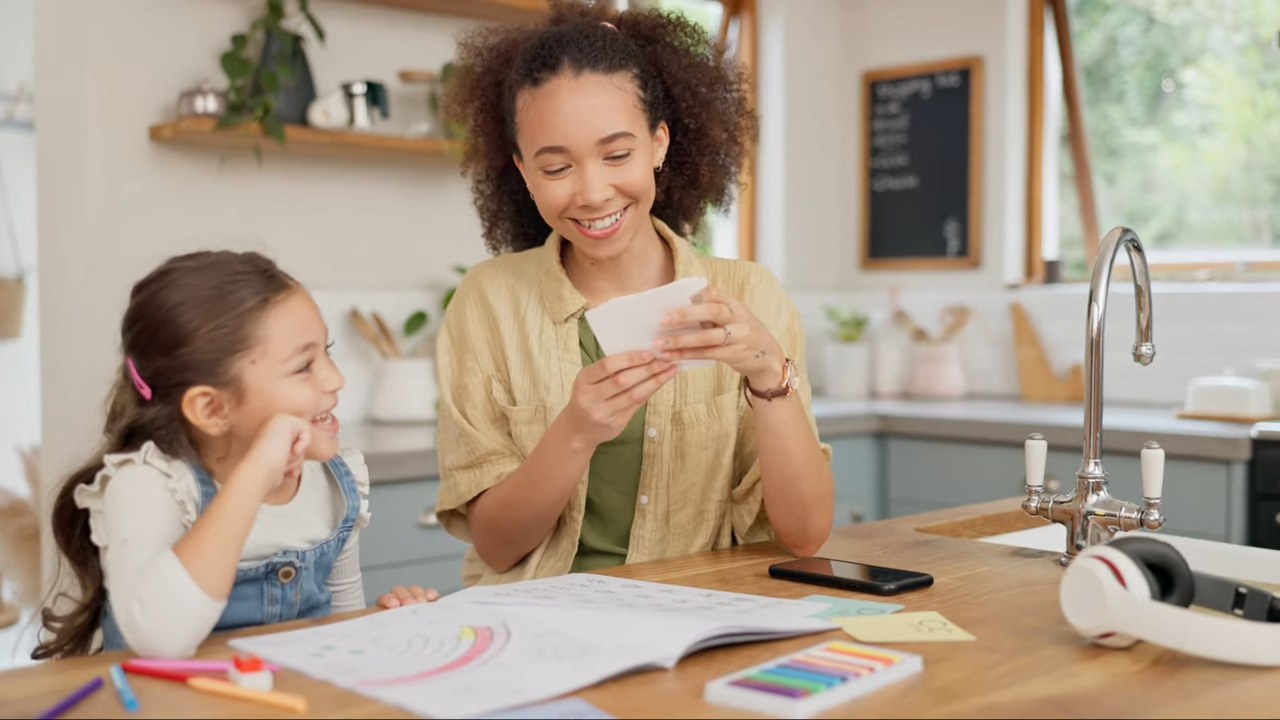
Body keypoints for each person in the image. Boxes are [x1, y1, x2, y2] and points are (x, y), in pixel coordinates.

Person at [434, 0, 834, 587]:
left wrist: (769, 375)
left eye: (617, 155)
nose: (593, 193)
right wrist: (575, 431)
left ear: (659, 144)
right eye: (556, 167)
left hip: (696, 619)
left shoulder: (749, 293)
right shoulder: (488, 301)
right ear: (522, 171)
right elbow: (496, 547)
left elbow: (805, 537)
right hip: (536, 624)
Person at [33, 251, 437, 661]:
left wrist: (386, 626)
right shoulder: (148, 484)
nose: (336, 378)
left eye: (327, 351)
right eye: (303, 366)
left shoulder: (334, 479)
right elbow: (159, 639)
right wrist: (255, 474)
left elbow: (342, 624)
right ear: (211, 410)